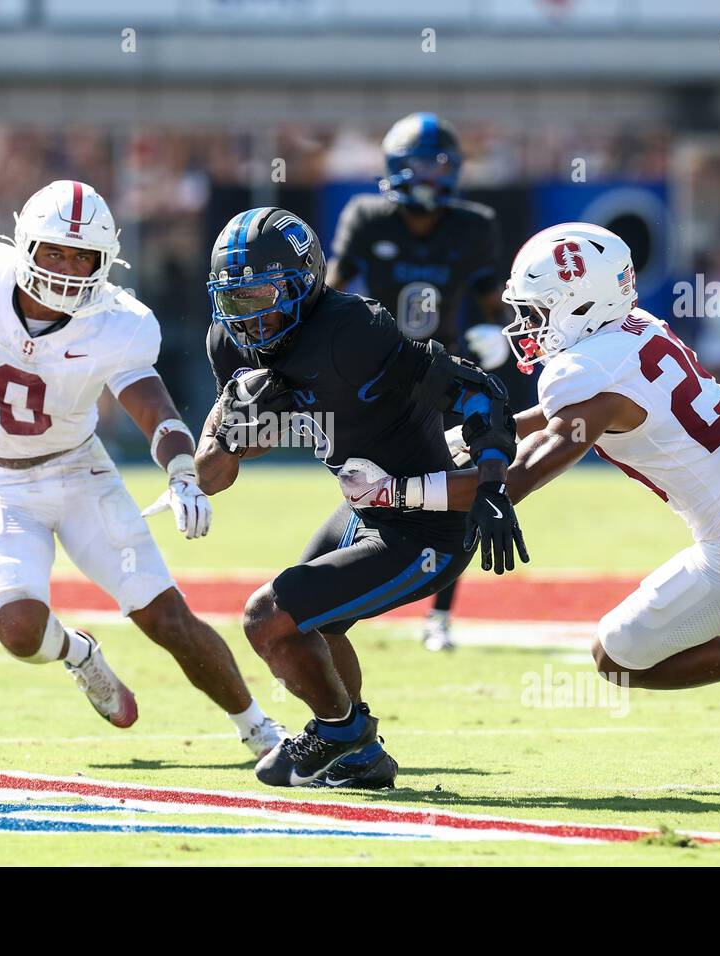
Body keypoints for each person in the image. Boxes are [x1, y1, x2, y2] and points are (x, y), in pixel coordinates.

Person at [336, 224, 720, 766]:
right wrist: (472, 434)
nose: (525, 323)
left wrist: (406, 493)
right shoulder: (639, 329)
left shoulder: (583, 372)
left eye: (538, 309)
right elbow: (565, 415)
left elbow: (549, 452)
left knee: (616, 659)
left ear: (581, 303)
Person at [0, 179, 286, 756]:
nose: (66, 268)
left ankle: (260, 731)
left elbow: (151, 404)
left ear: (105, 262)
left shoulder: (118, 321)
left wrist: (183, 469)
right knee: (17, 631)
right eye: (54, 251)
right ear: (24, 246)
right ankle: (78, 652)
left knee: (165, 618)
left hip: (78, 473)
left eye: (82, 256)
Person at [196, 206, 526, 789]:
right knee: (310, 623)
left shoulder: (352, 334)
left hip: (427, 527)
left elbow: (478, 392)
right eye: (236, 299)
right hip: (363, 508)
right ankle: (354, 743)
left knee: (268, 620)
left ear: (302, 284)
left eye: (262, 296)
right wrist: (233, 421)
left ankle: (342, 736)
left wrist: (494, 481)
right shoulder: (231, 342)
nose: (249, 317)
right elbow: (213, 475)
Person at [327, 112, 511, 652]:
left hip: (447, 377)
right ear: (394, 168)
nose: (429, 176)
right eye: (418, 164)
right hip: (377, 376)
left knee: (456, 488)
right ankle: (351, 580)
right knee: (365, 484)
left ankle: (440, 613)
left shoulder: (473, 225)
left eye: (439, 164)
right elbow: (332, 288)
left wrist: (499, 336)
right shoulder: (368, 216)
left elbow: (492, 302)